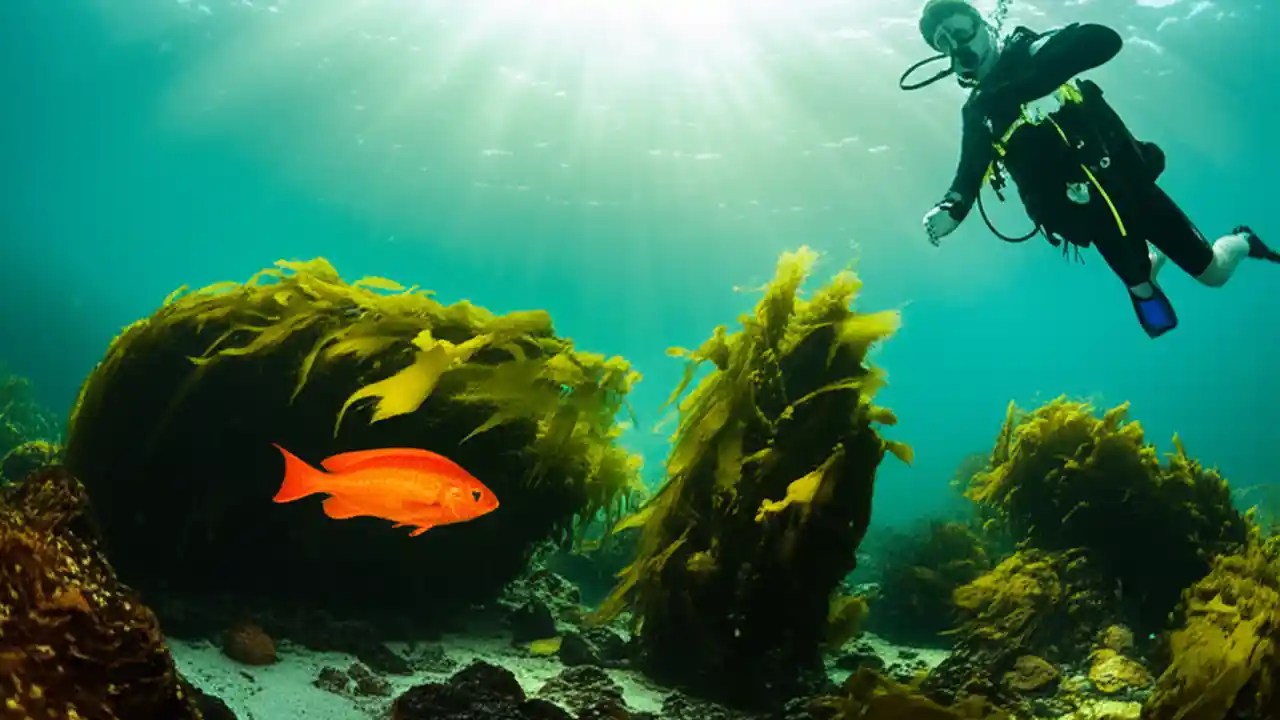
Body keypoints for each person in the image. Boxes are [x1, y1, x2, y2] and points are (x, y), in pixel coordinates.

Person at [909, 0, 1278, 338]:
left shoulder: (1034, 51)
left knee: (1213, 275)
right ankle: (1146, 269)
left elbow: (1103, 40)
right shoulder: (979, 111)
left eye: (960, 32)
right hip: (1089, 218)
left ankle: (1243, 240)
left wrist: (1033, 83)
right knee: (1146, 297)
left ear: (984, 26)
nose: (957, 46)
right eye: (944, 43)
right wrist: (951, 210)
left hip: (1133, 186)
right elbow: (969, 171)